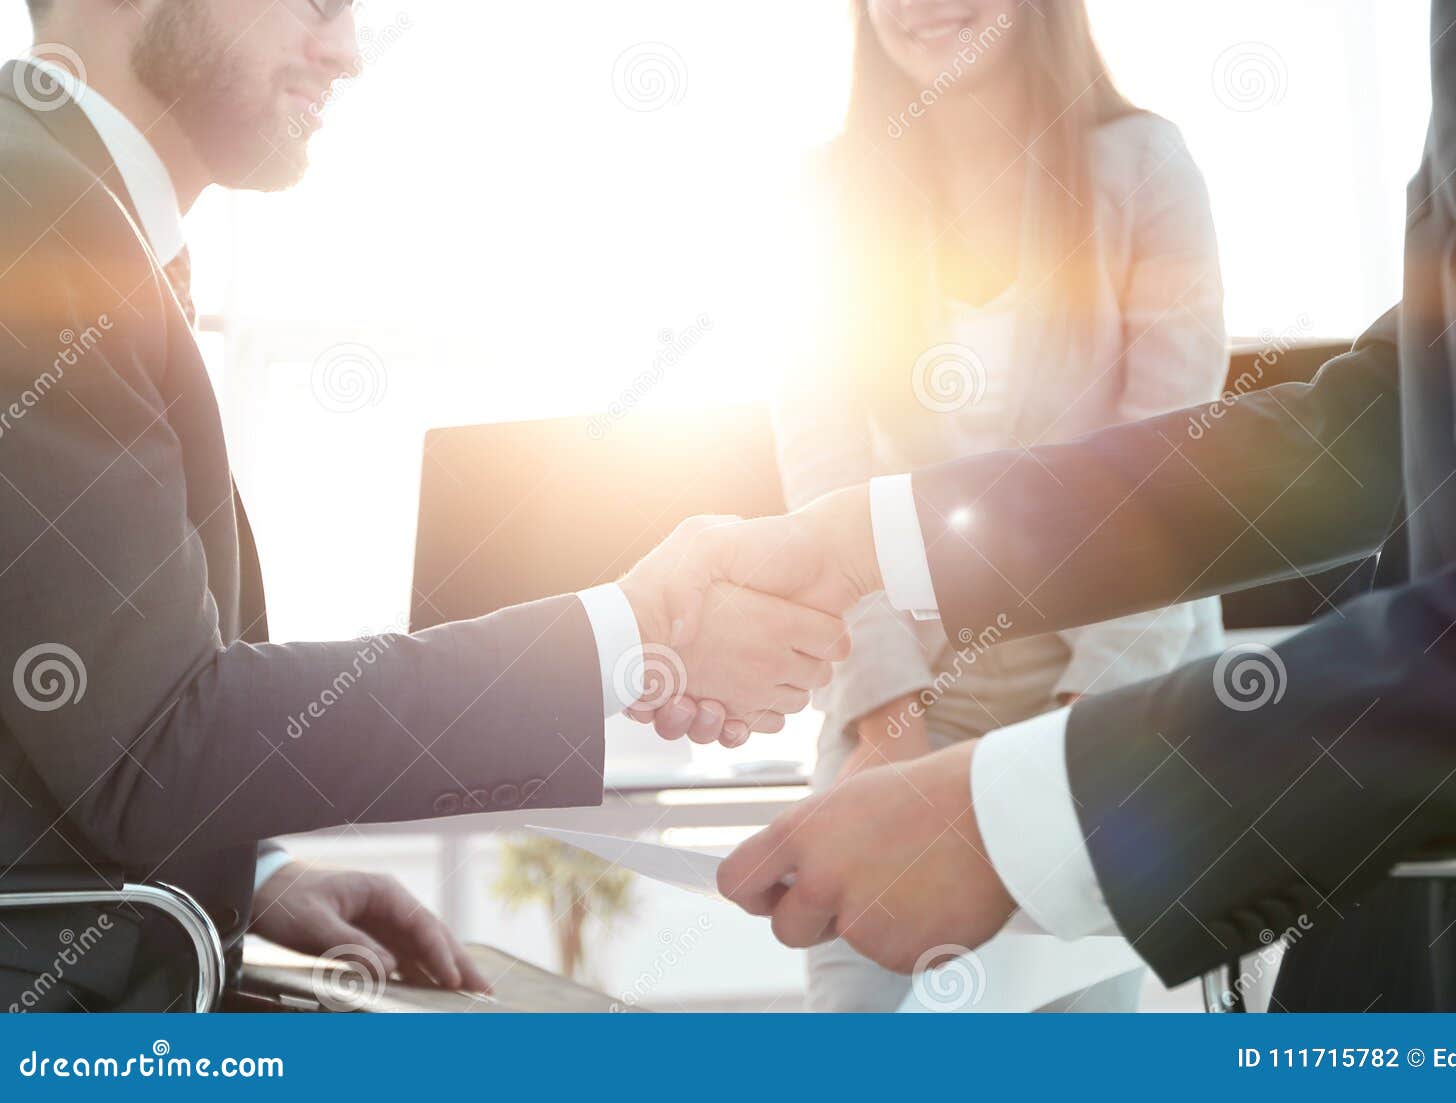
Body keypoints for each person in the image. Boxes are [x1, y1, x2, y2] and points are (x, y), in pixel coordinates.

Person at [678, 0, 1456, 1011]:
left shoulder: (1145, 165)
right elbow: (1380, 418)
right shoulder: (828, 195)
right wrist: (872, 549)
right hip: (934, 705)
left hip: (1168, 720)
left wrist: (1037, 786)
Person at [0, 0, 846, 1010]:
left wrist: (257, 875)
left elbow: (89, 714)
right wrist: (636, 633)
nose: (347, 52)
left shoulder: (63, 201)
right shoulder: (36, 209)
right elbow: (156, 748)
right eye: (316, 2)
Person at [773, 0, 1224, 1011]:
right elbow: (825, 488)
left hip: (1109, 686)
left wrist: (1068, 759)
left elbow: (1170, 481)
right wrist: (892, 745)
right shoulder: (830, 195)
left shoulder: (1145, 165)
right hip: (905, 689)